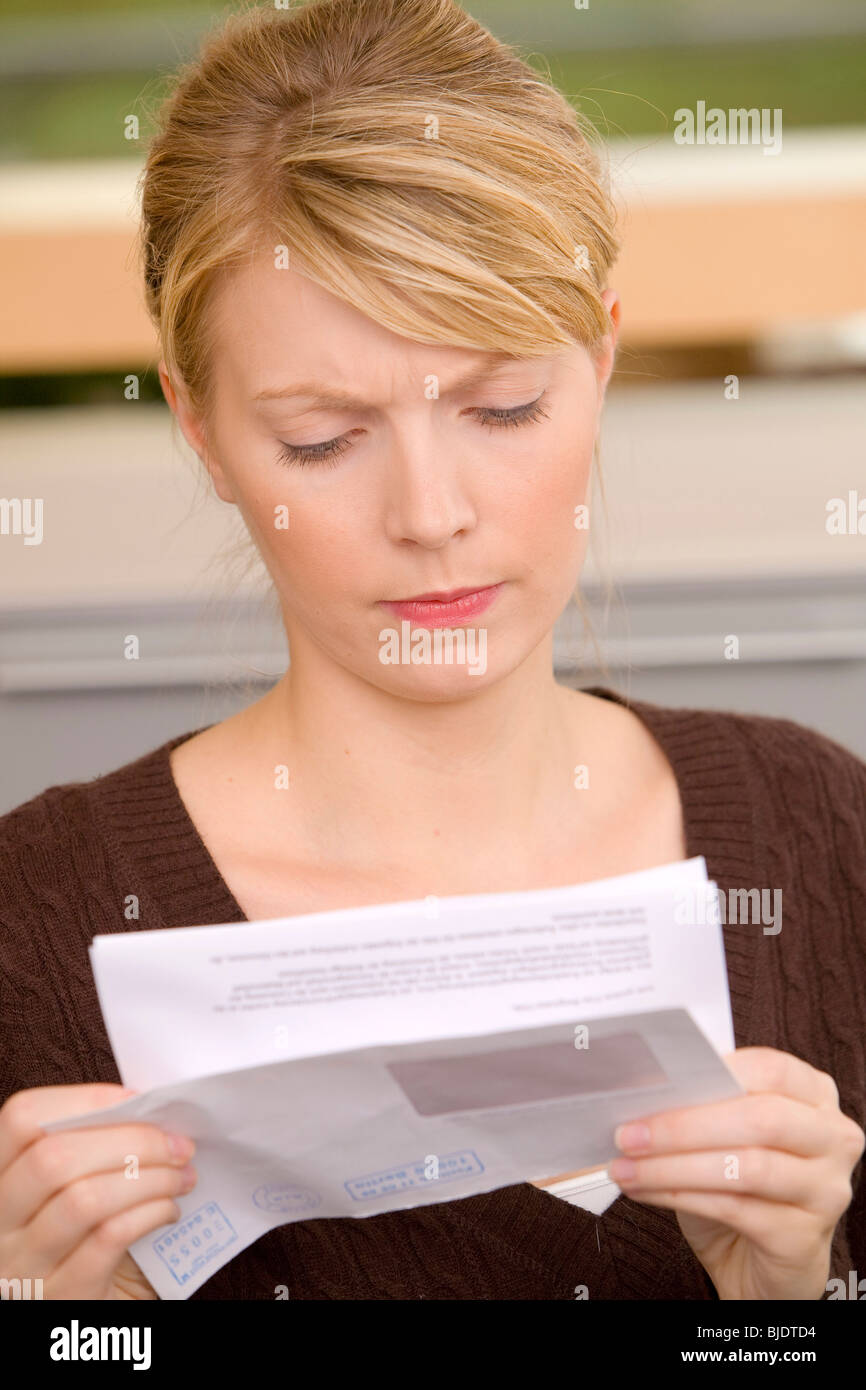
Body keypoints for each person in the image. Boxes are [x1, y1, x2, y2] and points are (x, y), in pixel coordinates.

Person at [1, 0, 863, 1302]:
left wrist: (787, 1309)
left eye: (502, 405)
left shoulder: (824, 834)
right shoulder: (34, 922)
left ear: (601, 354)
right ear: (197, 425)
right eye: (321, 437)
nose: (432, 514)